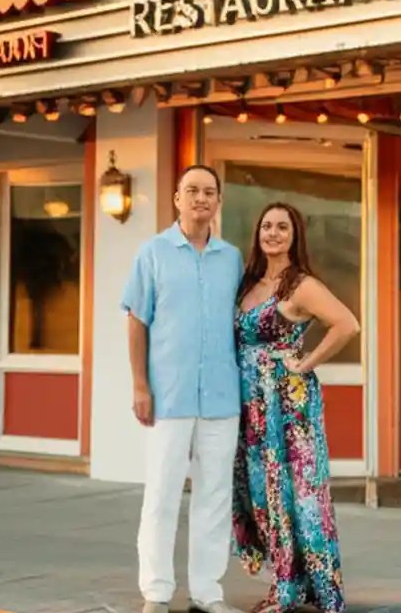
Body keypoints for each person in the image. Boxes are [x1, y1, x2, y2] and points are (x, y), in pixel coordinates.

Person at [122, 165, 245, 613]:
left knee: (214, 497)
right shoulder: (153, 252)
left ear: (218, 202)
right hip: (168, 396)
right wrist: (140, 383)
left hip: (221, 396)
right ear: (176, 198)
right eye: (192, 190)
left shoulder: (231, 258)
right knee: (162, 494)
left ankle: (207, 592)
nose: (200, 198)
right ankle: (156, 592)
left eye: (209, 192)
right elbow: (136, 319)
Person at [232, 202, 359, 613]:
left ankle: (307, 589)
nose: (272, 233)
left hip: (290, 408)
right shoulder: (247, 283)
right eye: (266, 225)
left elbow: (347, 324)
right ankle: (287, 581)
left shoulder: (300, 285)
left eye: (281, 227)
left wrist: (306, 363)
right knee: (265, 497)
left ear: (294, 235)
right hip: (252, 408)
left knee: (301, 495)